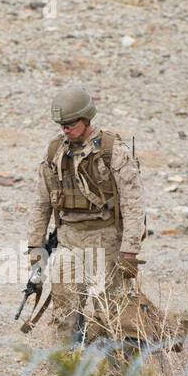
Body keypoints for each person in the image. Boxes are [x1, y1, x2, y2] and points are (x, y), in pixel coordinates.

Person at [26, 86, 145, 344]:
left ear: (86, 119)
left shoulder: (113, 152)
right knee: (64, 313)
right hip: (68, 240)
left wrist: (130, 251)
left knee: (112, 314)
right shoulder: (55, 152)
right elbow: (41, 202)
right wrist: (35, 246)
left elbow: (134, 205)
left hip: (106, 241)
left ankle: (118, 365)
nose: (65, 130)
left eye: (70, 124)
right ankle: (64, 365)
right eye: (62, 125)